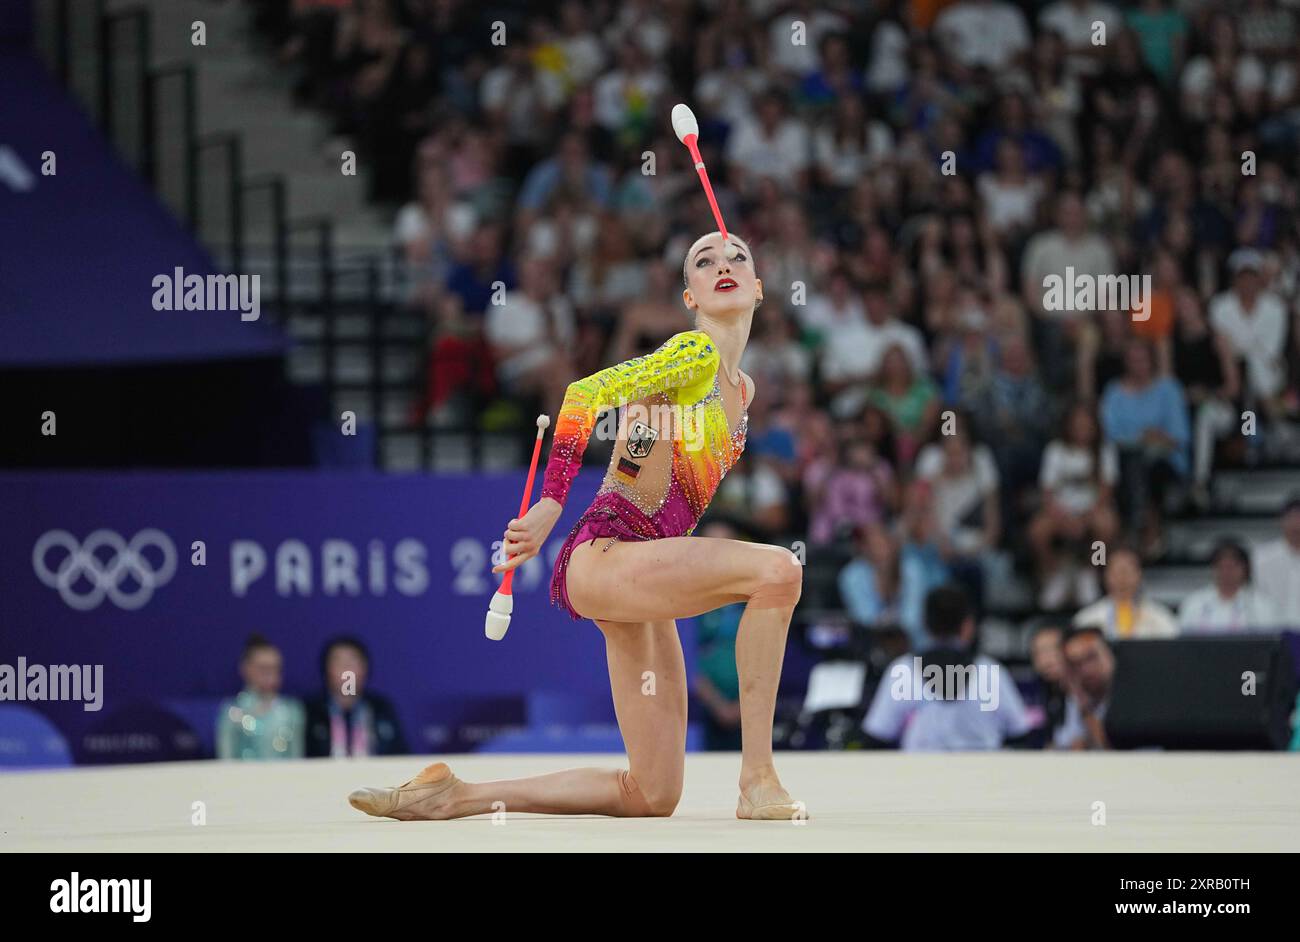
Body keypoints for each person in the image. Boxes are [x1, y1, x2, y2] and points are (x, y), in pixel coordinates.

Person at [350, 231, 805, 820]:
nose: (724, 264)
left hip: (638, 575)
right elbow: (584, 394)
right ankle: (758, 778)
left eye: (738, 257)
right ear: (688, 296)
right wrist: (552, 503)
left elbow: (650, 444)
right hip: (609, 553)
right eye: (704, 261)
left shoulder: (742, 388)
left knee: (651, 794)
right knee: (779, 571)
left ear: (759, 288)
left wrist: (646, 434)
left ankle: (454, 795)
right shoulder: (692, 355)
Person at [861, 585, 1033, 751]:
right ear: (968, 626)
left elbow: (877, 736)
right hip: (982, 774)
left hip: (920, 774)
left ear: (924, 625)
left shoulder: (903, 671)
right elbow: (1020, 733)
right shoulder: (989, 671)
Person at [304, 637, 407, 758]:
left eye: (353, 661)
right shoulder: (309, 711)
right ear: (326, 670)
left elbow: (400, 756)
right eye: (338, 662)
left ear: (366, 669)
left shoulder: (381, 709)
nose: (346, 669)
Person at [215, 635, 305, 761]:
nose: (270, 675)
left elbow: (296, 759)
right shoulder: (232, 711)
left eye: (275, 668)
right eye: (263, 669)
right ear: (245, 669)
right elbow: (226, 760)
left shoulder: (291, 710)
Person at [1073, 544, 1177, 639]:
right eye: (1116, 572)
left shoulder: (1161, 617)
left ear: (1139, 575)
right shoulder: (1087, 619)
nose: (1122, 579)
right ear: (1105, 576)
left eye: (1127, 571)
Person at [1178, 540, 1279, 634]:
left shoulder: (1261, 605)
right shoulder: (1194, 603)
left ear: (1245, 569)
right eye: (1222, 567)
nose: (1227, 573)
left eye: (1232, 567)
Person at [1054, 626, 1114, 750]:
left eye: (1091, 658)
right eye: (1076, 664)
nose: (1086, 670)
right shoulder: (1077, 694)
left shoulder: (1134, 691)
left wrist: (1086, 711)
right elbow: (1075, 753)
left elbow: (1116, 753)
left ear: (1110, 655)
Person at [1251, 496, 1300, 625]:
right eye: (1291, 518)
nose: (1296, 525)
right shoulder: (1261, 558)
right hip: (1271, 632)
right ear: (1282, 521)